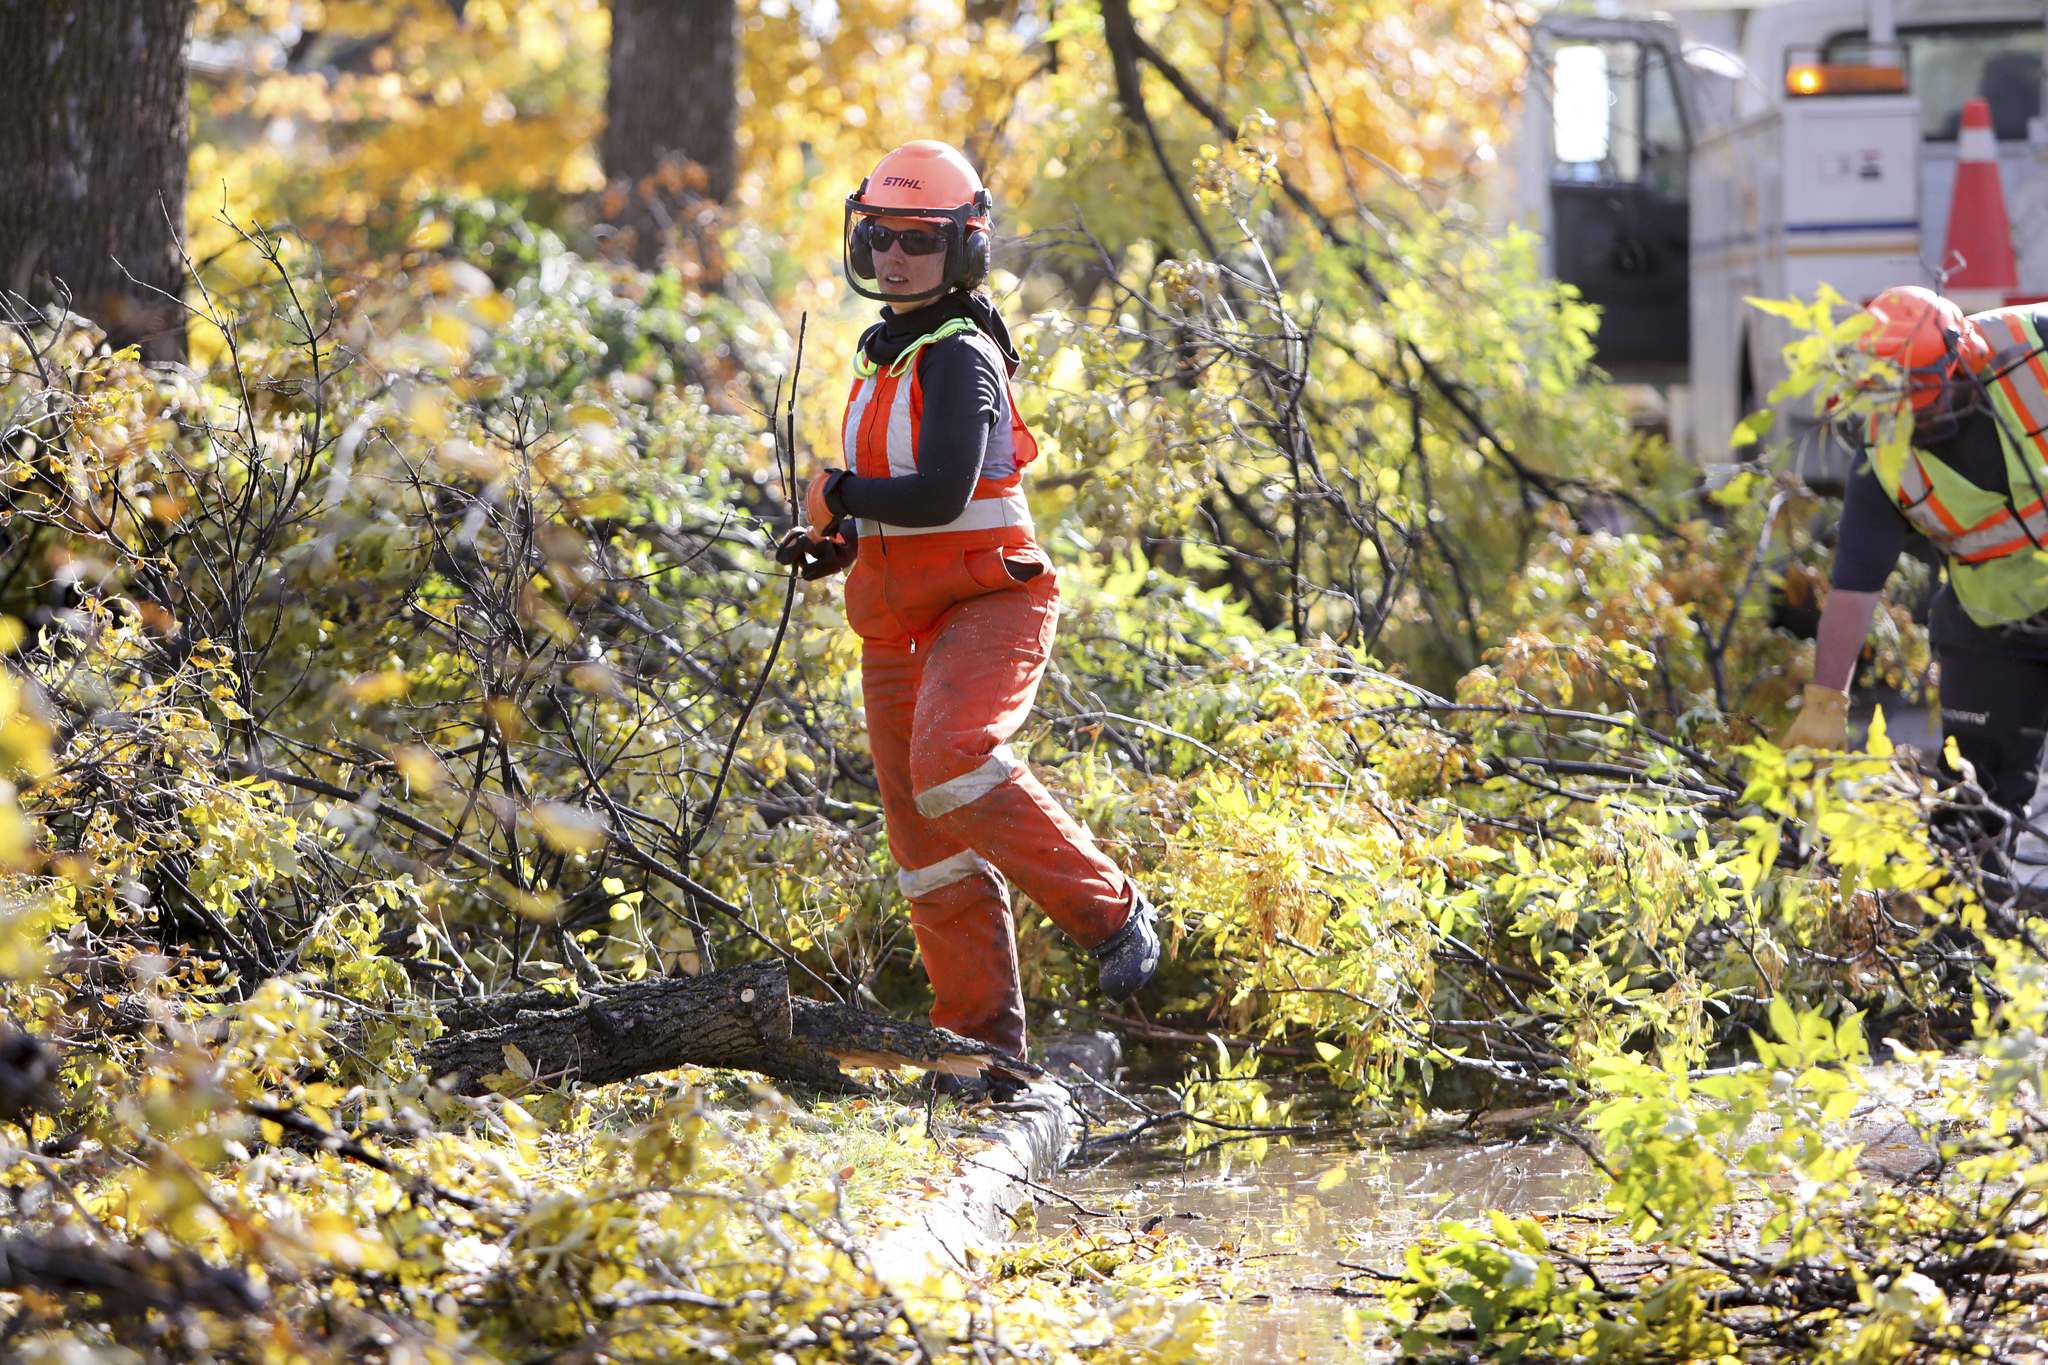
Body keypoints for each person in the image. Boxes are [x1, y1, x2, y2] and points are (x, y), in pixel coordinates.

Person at [775, 140, 1162, 1078]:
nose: (896, 256)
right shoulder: (881, 355)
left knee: (953, 758)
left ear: (963, 249)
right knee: (925, 847)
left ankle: (1110, 911)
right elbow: (892, 501)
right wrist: (835, 540)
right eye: (880, 236)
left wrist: (841, 492)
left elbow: (945, 492)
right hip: (902, 622)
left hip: (989, 605)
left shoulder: (958, 356)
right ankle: (980, 1059)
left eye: (917, 239)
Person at [1782, 284, 2048, 892]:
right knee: (1972, 808)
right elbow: (1853, 588)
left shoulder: (2030, 344)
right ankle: (1970, 961)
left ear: (1963, 358)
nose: (1919, 419)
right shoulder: (1883, 457)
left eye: (1927, 398)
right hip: (1991, 627)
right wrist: (1827, 700)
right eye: (1904, 404)